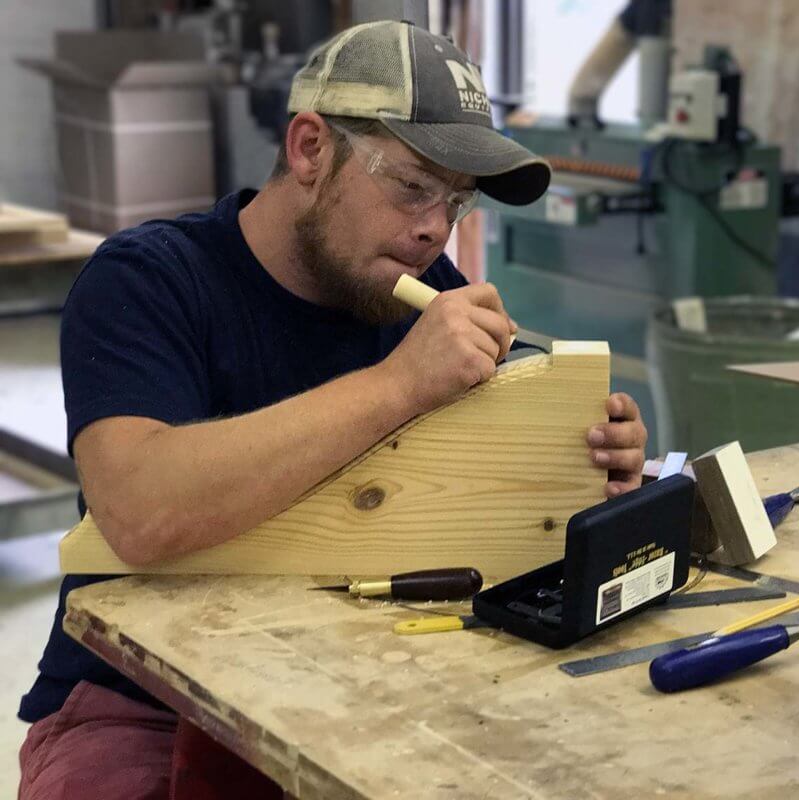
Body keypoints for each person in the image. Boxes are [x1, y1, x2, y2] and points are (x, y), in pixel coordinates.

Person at [17, 20, 648, 799]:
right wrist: (397, 385)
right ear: (310, 149)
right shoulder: (147, 282)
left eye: (457, 201)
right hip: (141, 695)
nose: (434, 228)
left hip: (364, 669)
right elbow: (140, 512)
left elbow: (497, 506)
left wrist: (585, 465)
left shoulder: (430, 295)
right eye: (412, 186)